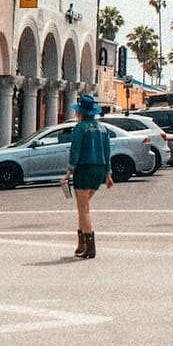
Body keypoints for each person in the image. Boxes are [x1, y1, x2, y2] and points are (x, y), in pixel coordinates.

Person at [62, 94, 114, 259]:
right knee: (82, 208)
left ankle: (89, 246)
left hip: (84, 169)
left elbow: (75, 151)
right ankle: (82, 243)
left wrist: (69, 171)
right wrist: (108, 173)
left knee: (83, 210)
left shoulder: (80, 128)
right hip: (98, 170)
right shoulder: (102, 128)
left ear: (80, 112)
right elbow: (107, 152)